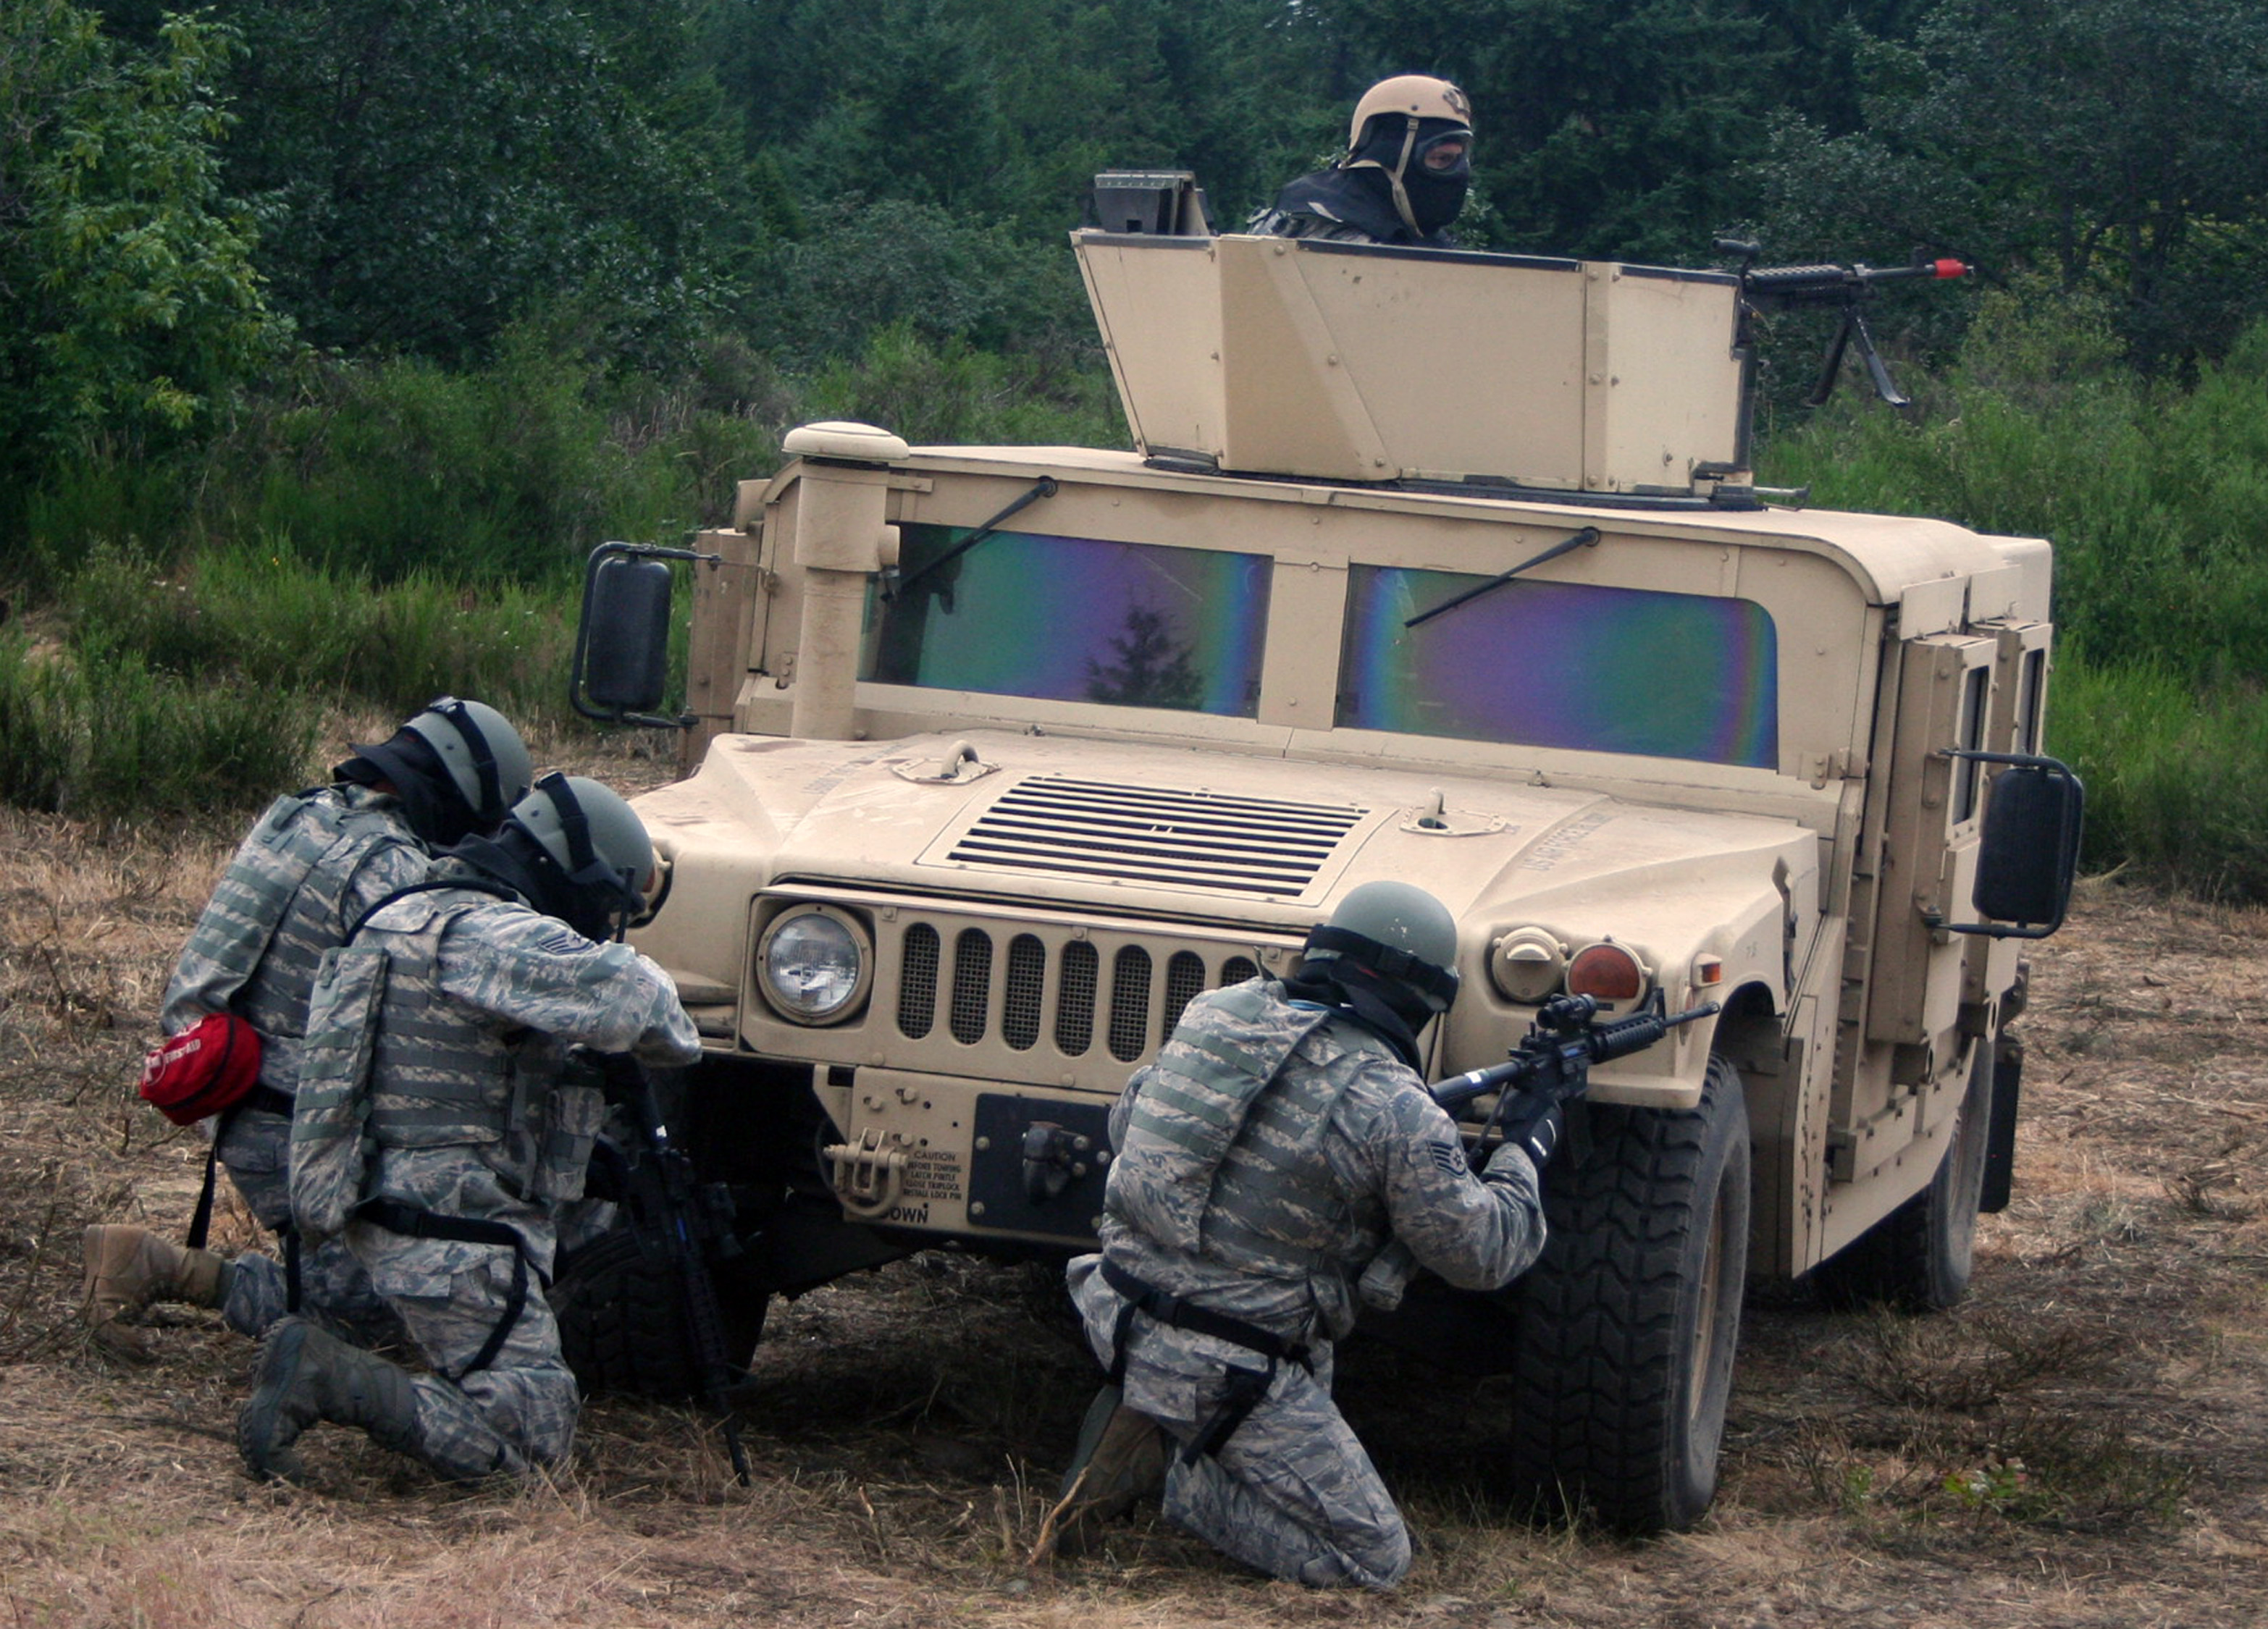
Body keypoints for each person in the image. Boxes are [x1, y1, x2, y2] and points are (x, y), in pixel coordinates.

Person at [1049, 881, 1556, 1588]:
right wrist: (1527, 1144)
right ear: (1427, 997)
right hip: (1226, 1369)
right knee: (1376, 1561)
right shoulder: (1393, 1106)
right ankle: (1179, 1473)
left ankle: (1166, 1416)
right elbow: (1481, 1253)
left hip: (1115, 1309)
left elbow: (1127, 1125)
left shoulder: (1214, 1016)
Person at [235, 773, 700, 1484]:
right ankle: (324, 1375)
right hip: (451, 1231)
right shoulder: (491, 933)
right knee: (532, 1439)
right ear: (572, 872)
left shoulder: (405, 912)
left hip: (383, 1207)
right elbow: (643, 1008)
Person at [80, 699, 534, 1357]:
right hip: (284, 1117)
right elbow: (421, 1009)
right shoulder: (386, 866)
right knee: (388, 1314)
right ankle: (160, 1267)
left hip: (228, 1082)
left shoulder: (303, 812)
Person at [1248, 75, 1475, 248]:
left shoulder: (1431, 244)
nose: (1457, 175)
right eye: (1440, 158)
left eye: (1457, 159)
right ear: (1389, 151)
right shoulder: (1313, 225)